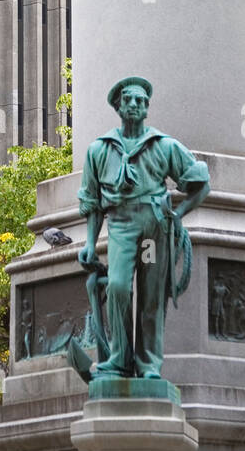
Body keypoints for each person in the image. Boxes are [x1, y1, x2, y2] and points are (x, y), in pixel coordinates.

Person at [77, 77, 209, 379]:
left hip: (154, 229)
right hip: (121, 226)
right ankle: (120, 360)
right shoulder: (99, 150)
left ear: (147, 108)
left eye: (140, 101)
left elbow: (201, 185)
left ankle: (149, 365)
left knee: (151, 296)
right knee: (119, 286)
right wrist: (88, 242)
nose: (134, 105)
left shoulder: (164, 146)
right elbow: (92, 202)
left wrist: (179, 214)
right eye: (129, 100)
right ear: (118, 107)